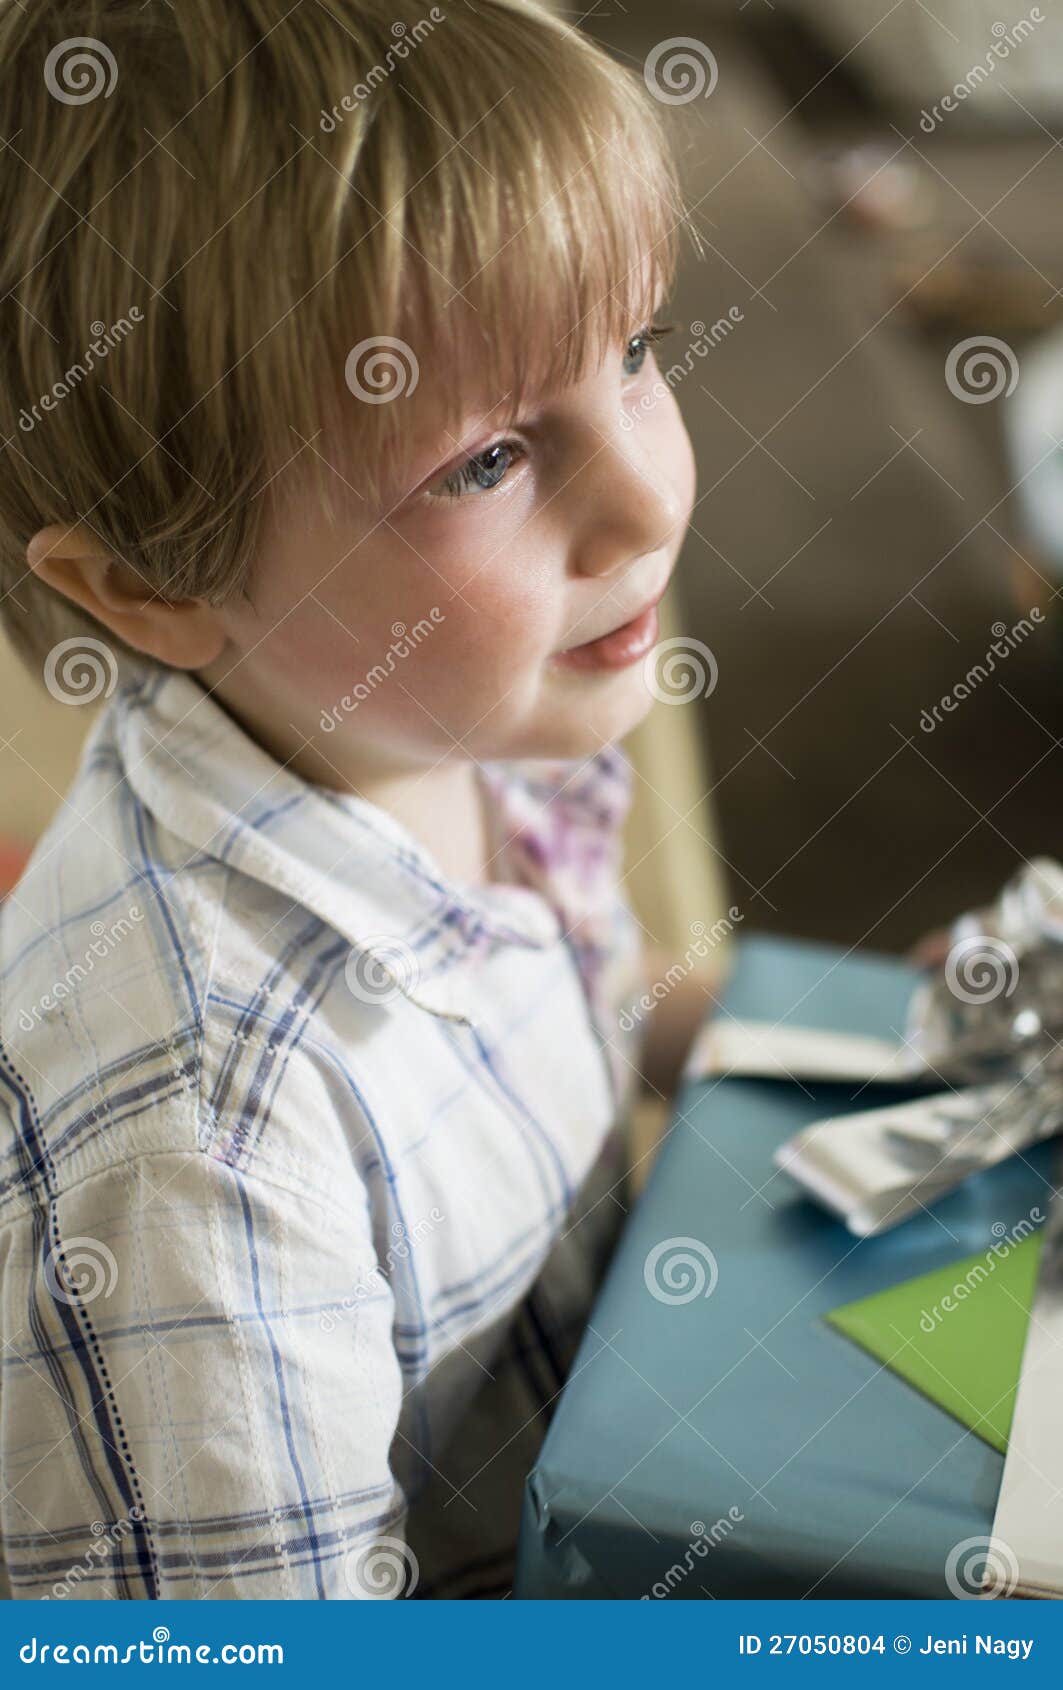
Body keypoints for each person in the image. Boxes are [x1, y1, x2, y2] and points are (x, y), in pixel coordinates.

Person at [0, 0, 709, 1597]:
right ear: (149, 589)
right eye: (483, 463)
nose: (650, 491)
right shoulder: (202, 1159)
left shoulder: (464, 722)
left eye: (639, 351)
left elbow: (572, 988)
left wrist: (873, 1050)